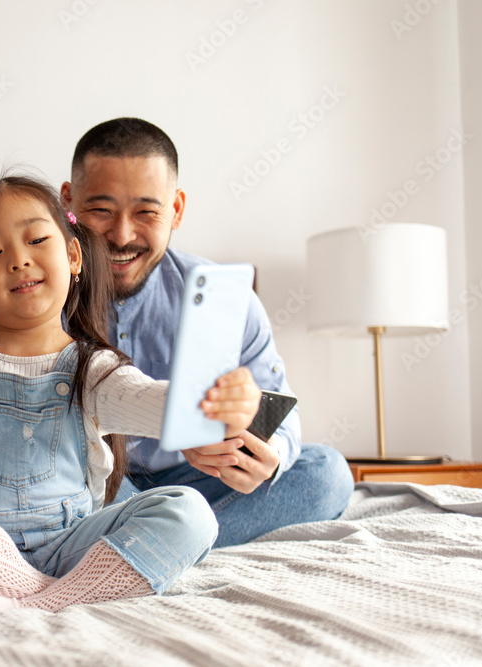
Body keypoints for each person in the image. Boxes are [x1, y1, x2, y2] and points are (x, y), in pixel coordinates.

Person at [0, 174, 262, 612]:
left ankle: (29, 604)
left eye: (37, 239)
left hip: (74, 547)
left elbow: (149, 401)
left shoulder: (93, 367)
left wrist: (213, 397)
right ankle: (45, 594)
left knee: (190, 512)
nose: (18, 260)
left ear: (73, 255)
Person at [59, 118, 355, 547]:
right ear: (69, 201)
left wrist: (266, 458)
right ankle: (166, 541)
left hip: (195, 483)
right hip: (91, 481)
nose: (122, 235)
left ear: (176, 209)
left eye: (146, 212)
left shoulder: (227, 299)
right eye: (101, 210)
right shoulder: (34, 291)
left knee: (326, 473)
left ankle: (154, 544)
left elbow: (279, 413)